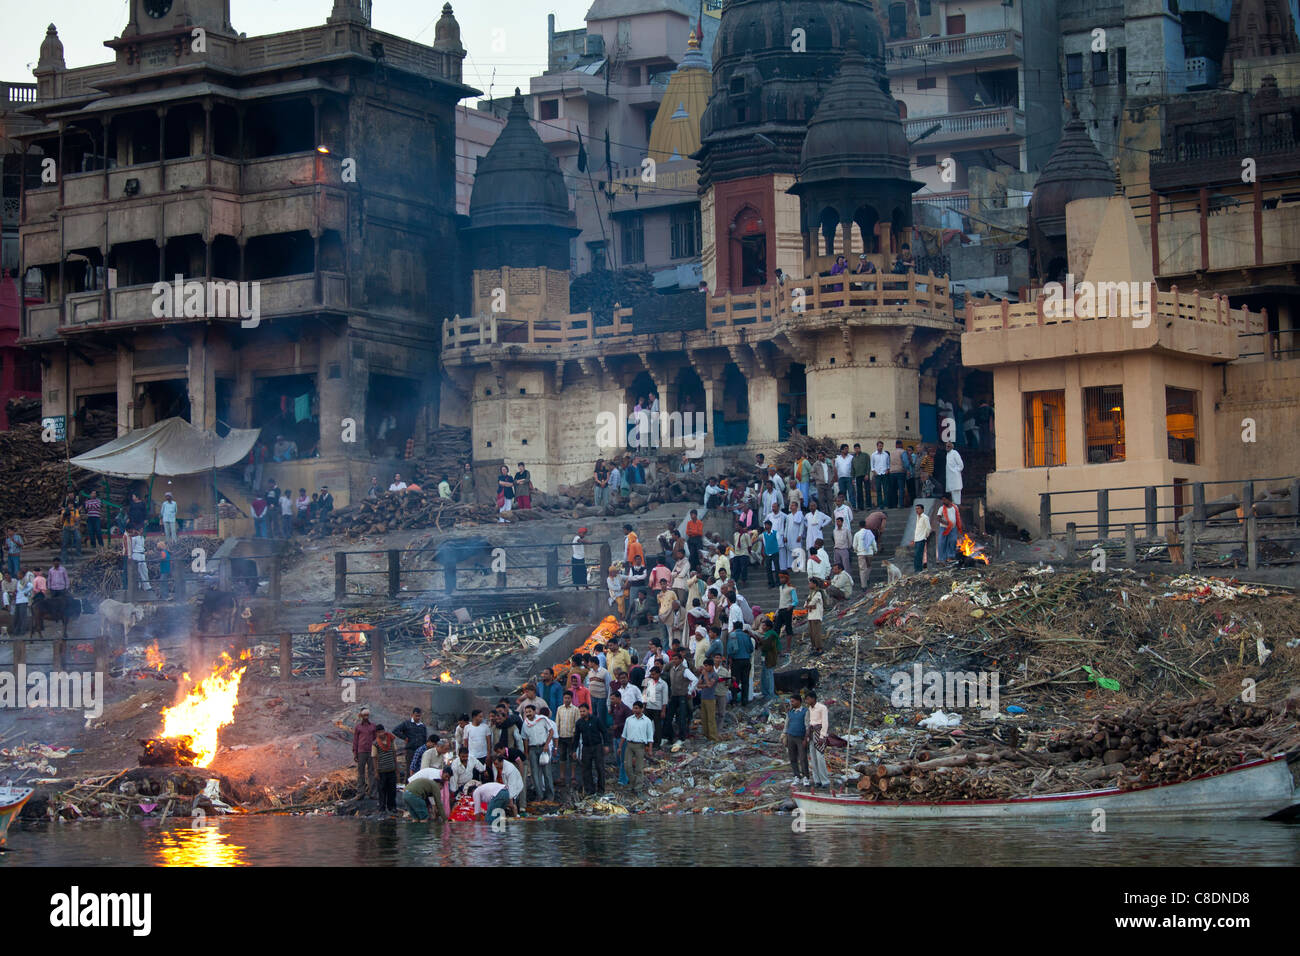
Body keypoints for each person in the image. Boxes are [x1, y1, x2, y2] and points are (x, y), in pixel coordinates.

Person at [521, 704, 555, 802]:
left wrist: (546, 745)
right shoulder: (525, 724)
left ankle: (550, 796)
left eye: (529, 711)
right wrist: (526, 752)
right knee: (535, 774)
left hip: (543, 748)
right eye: (526, 712)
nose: (528, 714)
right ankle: (539, 795)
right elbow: (525, 739)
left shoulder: (542, 719)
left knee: (547, 773)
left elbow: (551, 732)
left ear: (534, 711)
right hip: (532, 749)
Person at [622, 701, 654, 792]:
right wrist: (620, 747)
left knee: (639, 768)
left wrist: (650, 749)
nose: (634, 710)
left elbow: (650, 737)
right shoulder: (629, 719)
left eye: (636, 708)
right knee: (627, 766)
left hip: (640, 746)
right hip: (629, 745)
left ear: (641, 709)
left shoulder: (647, 721)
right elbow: (624, 734)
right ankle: (633, 782)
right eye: (634, 708)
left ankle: (638, 787)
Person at [667, 650, 698, 743]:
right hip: (674, 695)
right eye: (673, 659)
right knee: (669, 716)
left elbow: (695, 679)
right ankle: (669, 737)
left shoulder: (685, 670)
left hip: (682, 696)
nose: (674, 661)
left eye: (676, 659)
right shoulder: (672, 669)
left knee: (682, 717)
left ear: (681, 660)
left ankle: (682, 737)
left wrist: (689, 691)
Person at [392, 708, 428, 783]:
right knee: (410, 768)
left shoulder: (422, 726)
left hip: (421, 750)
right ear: (412, 715)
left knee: (420, 769)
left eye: (419, 716)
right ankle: (407, 786)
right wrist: (404, 738)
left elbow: (425, 738)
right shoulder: (406, 723)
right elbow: (395, 730)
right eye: (416, 716)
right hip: (411, 750)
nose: (417, 718)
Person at [554, 690, 580, 790]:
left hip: (571, 736)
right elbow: (557, 723)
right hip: (562, 736)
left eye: (568, 698)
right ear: (563, 698)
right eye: (565, 698)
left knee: (572, 757)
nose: (567, 700)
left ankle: (573, 777)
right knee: (562, 757)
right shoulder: (559, 709)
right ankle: (562, 777)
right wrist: (557, 734)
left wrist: (575, 735)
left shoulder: (575, 709)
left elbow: (577, 724)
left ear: (571, 699)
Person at [806, 690, 832, 789]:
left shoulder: (822, 708)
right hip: (812, 733)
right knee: (813, 758)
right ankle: (817, 780)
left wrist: (822, 736)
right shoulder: (810, 708)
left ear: (813, 698)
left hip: (819, 732)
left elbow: (825, 723)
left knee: (820, 757)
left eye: (808, 699)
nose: (807, 701)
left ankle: (825, 781)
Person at [784, 694, 810, 786]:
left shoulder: (805, 711)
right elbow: (786, 724)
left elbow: (807, 725)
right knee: (792, 757)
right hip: (791, 737)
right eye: (791, 701)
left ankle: (805, 777)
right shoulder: (790, 712)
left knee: (803, 758)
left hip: (800, 737)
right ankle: (796, 776)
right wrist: (785, 736)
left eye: (793, 701)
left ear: (799, 701)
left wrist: (806, 739)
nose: (791, 703)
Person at [726, 621, 754, 706]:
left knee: (735, 681)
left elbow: (730, 650)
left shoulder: (732, 636)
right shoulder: (747, 636)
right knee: (745, 681)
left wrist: (729, 660)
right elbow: (751, 649)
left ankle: (734, 700)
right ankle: (744, 701)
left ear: (734, 627)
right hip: (746, 661)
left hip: (736, 661)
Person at [352, 708, 378, 798]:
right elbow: (355, 740)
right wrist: (355, 753)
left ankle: (373, 793)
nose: (366, 717)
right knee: (361, 773)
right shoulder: (358, 727)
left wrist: (376, 751)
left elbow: (376, 739)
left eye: (367, 715)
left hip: (371, 752)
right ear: (361, 716)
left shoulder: (373, 726)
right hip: (361, 752)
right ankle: (360, 793)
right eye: (364, 715)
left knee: (372, 772)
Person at [372, 726, 399, 811]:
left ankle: (392, 807)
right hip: (381, 770)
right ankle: (382, 807)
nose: (381, 734)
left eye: (382, 731)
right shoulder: (375, 743)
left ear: (384, 731)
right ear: (376, 733)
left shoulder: (391, 739)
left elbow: (394, 753)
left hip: (391, 769)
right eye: (379, 732)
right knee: (382, 790)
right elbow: (374, 758)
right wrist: (376, 772)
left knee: (392, 789)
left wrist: (396, 767)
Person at [697, 658, 721, 742]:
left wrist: (706, 677)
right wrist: (705, 684)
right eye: (704, 666)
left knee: (711, 719)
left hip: (710, 698)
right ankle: (706, 735)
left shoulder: (714, 675)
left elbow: (710, 685)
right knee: (704, 718)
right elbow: (698, 685)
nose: (705, 668)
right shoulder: (703, 674)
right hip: (703, 697)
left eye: (706, 666)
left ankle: (713, 737)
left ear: (711, 666)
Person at [852, 519, 877, 589]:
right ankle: (867, 578)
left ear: (859, 526)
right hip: (869, 552)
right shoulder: (870, 533)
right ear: (866, 525)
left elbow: (854, 545)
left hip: (861, 553)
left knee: (862, 569)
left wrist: (856, 550)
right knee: (868, 567)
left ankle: (864, 585)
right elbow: (873, 542)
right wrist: (875, 550)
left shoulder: (857, 534)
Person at [806, 579, 825, 653]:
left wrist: (809, 606)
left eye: (810, 583)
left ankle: (819, 648)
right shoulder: (811, 593)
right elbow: (806, 604)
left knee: (816, 633)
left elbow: (812, 603)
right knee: (812, 633)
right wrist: (809, 606)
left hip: (816, 616)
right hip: (810, 616)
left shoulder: (818, 593)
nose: (809, 585)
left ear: (815, 584)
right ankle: (814, 647)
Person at [130, 527, 152, 593]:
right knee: (138, 571)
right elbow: (132, 548)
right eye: (141, 529)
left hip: (142, 555)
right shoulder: (133, 538)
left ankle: (147, 586)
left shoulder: (142, 538)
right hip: (136, 554)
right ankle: (139, 586)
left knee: (145, 571)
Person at [870, 441, 890, 509]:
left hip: (884, 473)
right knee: (878, 490)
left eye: (881, 446)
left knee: (885, 490)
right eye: (879, 446)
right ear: (877, 446)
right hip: (877, 474)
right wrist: (874, 471)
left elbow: (888, 464)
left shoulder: (886, 455)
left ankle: (886, 504)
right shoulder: (873, 455)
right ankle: (880, 505)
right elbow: (872, 465)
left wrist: (887, 469)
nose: (880, 447)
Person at [912, 502, 932, 573]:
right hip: (917, 539)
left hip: (921, 539)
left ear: (922, 510)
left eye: (918, 509)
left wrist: (925, 536)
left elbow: (928, 528)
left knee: (919, 555)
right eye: (916, 509)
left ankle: (919, 570)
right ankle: (916, 569)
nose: (917, 510)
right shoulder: (918, 517)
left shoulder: (925, 517)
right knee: (916, 555)